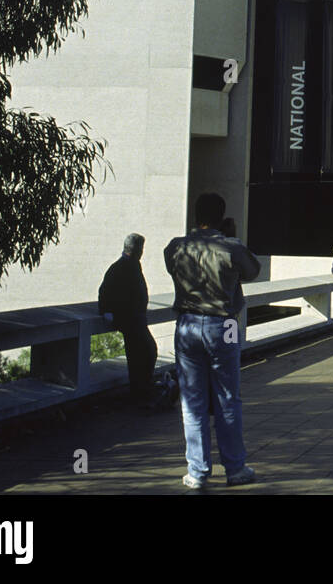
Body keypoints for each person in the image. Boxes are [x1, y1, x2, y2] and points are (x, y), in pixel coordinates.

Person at [164, 192, 261, 489]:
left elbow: (172, 269)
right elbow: (252, 272)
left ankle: (197, 470)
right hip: (224, 324)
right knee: (227, 396)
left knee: (193, 401)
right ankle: (234, 468)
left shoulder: (175, 247)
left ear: (196, 216)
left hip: (188, 324)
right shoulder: (230, 246)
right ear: (221, 217)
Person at [98, 233, 157, 407]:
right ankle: (140, 395)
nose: (142, 252)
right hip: (130, 319)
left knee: (143, 354)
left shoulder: (130, 265)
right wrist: (106, 311)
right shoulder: (120, 267)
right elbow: (104, 292)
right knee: (144, 353)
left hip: (136, 319)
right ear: (136, 249)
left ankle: (141, 393)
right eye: (141, 248)